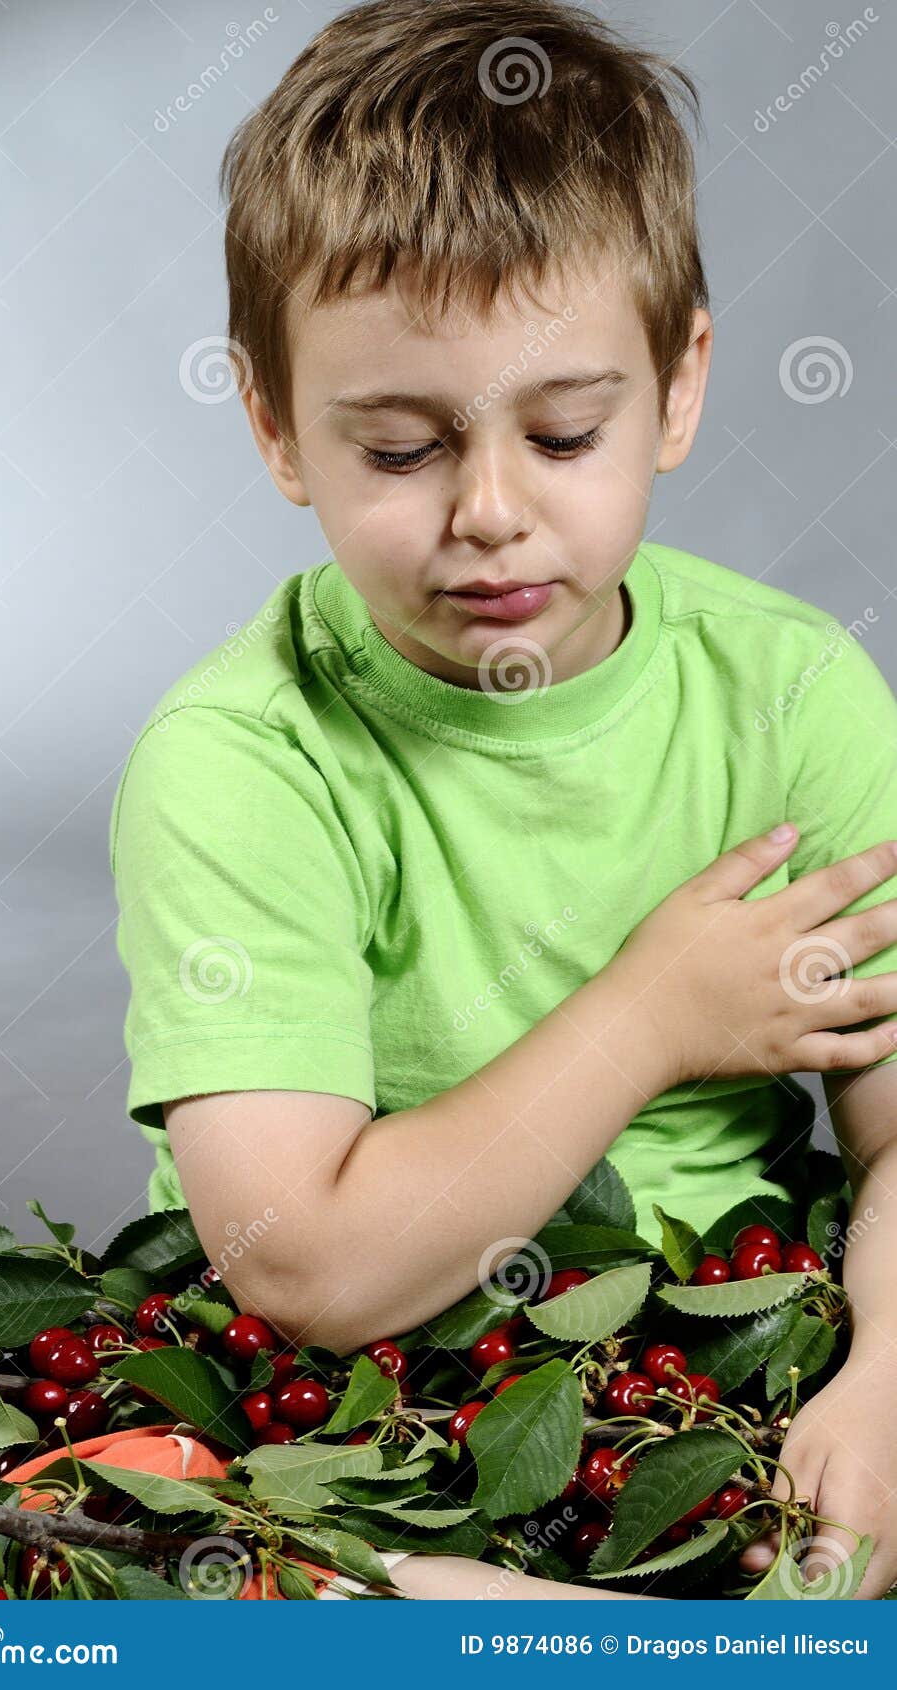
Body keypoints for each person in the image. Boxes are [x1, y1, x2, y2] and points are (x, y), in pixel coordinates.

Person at [109, 0, 897, 1599]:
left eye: (563, 432)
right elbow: (308, 1265)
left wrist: (882, 1380)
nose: (489, 510)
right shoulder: (241, 756)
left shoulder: (796, 691)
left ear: (677, 388)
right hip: (359, 1405)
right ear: (278, 428)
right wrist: (652, 1015)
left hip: (721, 1369)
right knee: (205, 1563)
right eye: (402, 449)